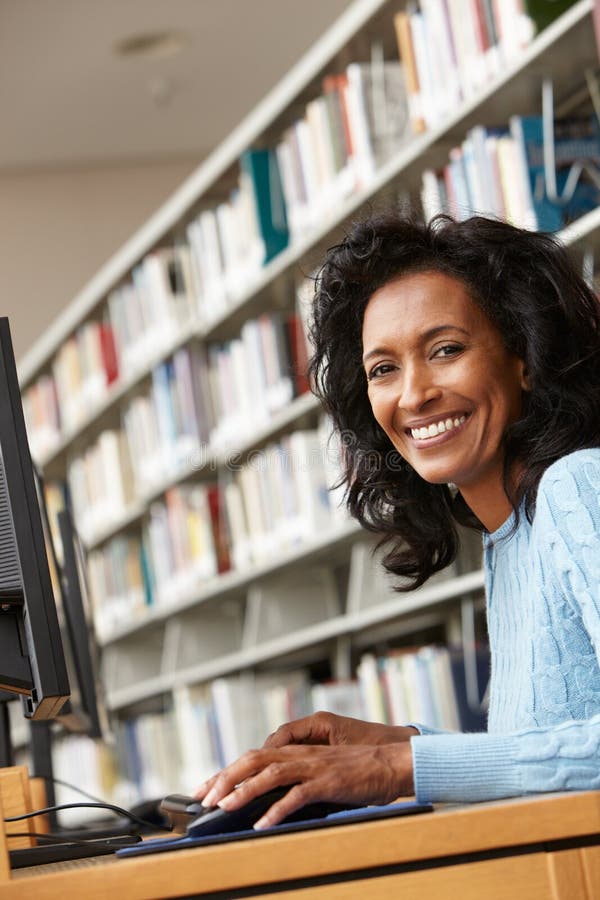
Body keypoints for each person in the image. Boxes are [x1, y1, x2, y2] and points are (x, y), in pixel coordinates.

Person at [195, 212, 600, 829]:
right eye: (384, 369)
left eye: (446, 350)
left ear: (525, 356)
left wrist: (400, 764)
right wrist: (397, 741)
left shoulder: (580, 486)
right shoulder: (508, 539)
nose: (413, 395)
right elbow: (549, 759)